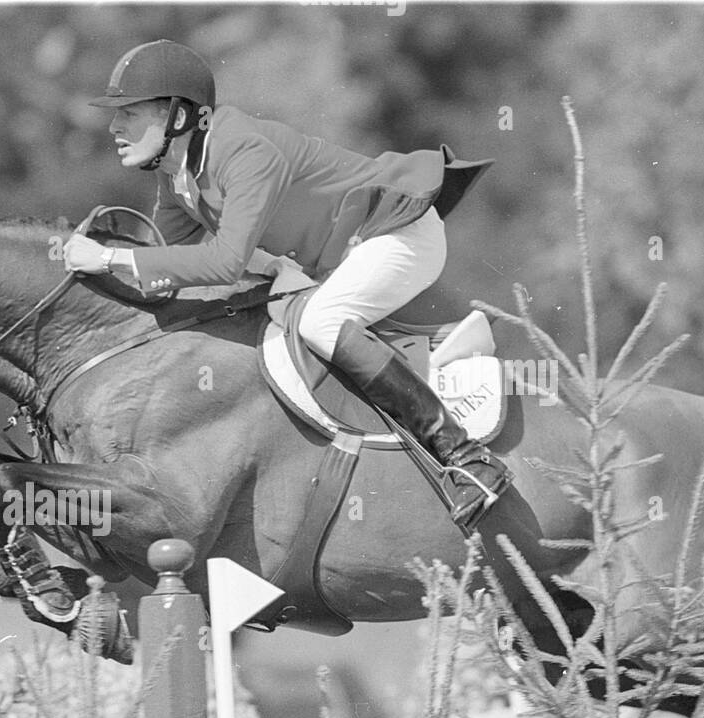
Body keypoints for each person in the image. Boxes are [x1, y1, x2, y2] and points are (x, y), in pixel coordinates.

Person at [64, 39, 511, 530]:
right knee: (285, 317)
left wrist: (110, 256)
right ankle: (436, 346)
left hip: (399, 231)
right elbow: (169, 274)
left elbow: (225, 262)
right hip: (346, 253)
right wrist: (100, 272)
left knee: (322, 322)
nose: (113, 126)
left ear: (176, 116)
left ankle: (468, 458)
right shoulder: (177, 180)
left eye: (128, 112)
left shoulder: (243, 150)